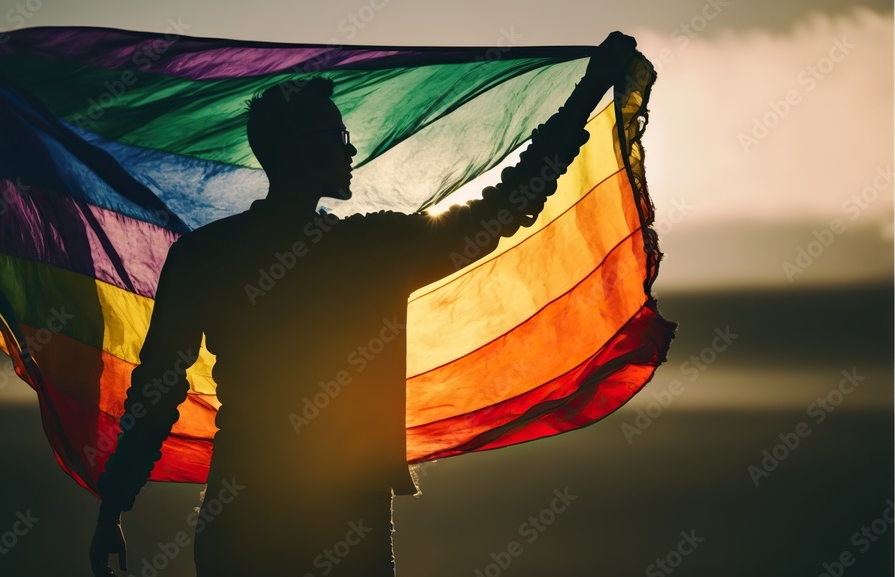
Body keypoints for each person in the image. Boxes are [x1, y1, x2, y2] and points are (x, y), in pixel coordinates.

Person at [89, 32, 638, 576]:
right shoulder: (371, 249)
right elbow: (509, 203)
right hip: (344, 526)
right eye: (337, 135)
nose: (351, 148)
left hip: (244, 515)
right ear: (298, 149)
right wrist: (588, 91)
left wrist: (114, 506)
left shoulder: (206, 254)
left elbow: (157, 388)